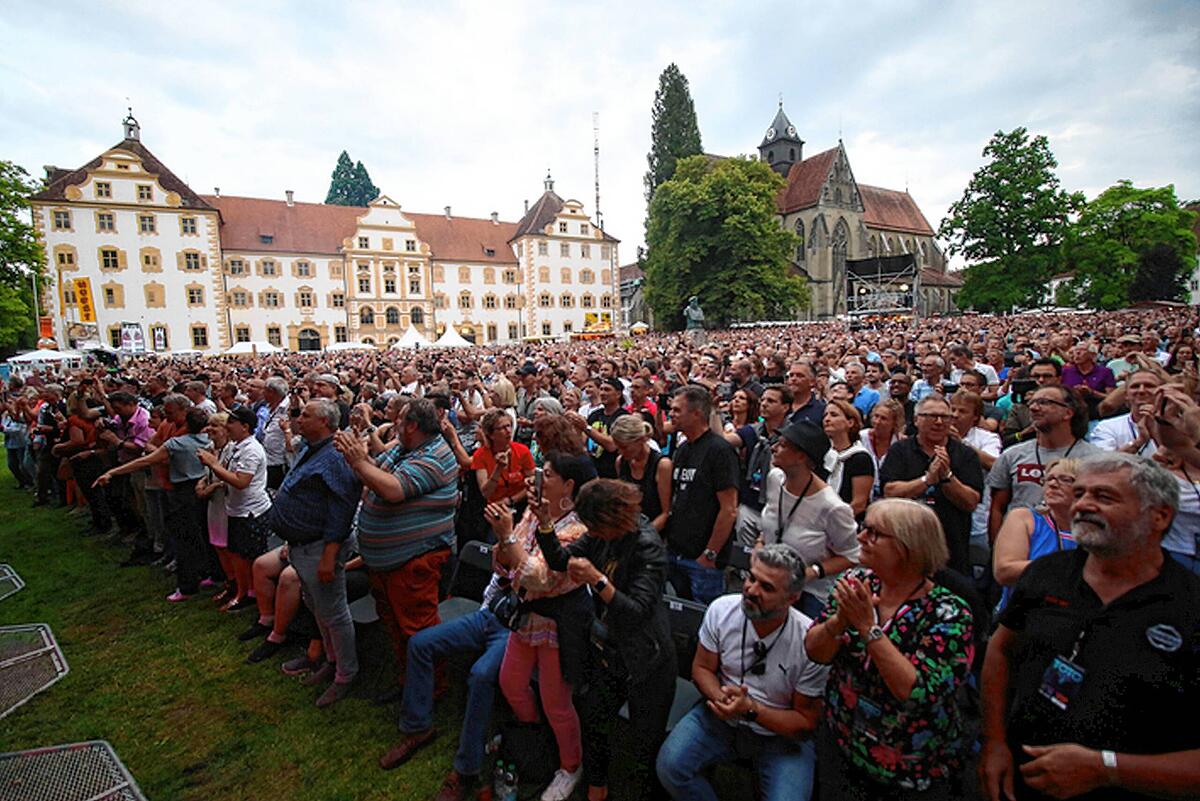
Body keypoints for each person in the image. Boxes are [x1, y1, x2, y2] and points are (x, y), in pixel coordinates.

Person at [979, 452, 1200, 801]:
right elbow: (1001, 649)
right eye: (1079, 493)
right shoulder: (1045, 573)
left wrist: (1105, 769)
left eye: (1103, 496)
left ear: (1159, 515)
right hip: (1024, 780)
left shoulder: (1190, 606)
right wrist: (994, 742)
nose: (1082, 505)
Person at [806, 499, 976, 800]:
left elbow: (915, 693)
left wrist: (867, 629)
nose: (860, 537)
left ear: (907, 547)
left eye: (874, 533)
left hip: (911, 767)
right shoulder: (855, 583)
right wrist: (838, 623)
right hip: (843, 745)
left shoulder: (949, 613)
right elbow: (816, 652)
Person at [535, 479, 677, 801]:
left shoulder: (647, 546)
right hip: (609, 651)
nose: (591, 534)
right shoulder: (601, 536)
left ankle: (642, 791)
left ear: (614, 520)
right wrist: (545, 524)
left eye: (595, 528)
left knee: (644, 740)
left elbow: (637, 611)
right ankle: (597, 787)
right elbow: (561, 559)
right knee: (595, 720)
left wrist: (598, 581)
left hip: (647, 659)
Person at [657, 544, 828, 801]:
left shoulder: (810, 642)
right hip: (720, 716)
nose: (750, 590)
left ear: (792, 598)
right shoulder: (722, 609)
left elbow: (805, 724)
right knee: (671, 768)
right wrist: (722, 699)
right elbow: (702, 668)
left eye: (767, 587)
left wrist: (750, 710)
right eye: (751, 577)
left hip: (779, 737)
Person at [491, 453, 598, 801]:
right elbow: (509, 564)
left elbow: (540, 576)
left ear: (568, 485)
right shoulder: (533, 513)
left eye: (546, 474)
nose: (536, 478)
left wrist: (508, 540)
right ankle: (536, 739)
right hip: (527, 615)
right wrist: (505, 541)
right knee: (511, 682)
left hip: (558, 622)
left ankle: (570, 766)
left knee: (557, 702)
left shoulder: (580, 529)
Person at [336, 398, 460, 696]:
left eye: (400, 420)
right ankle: (408, 679)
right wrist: (358, 459)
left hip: (414, 560)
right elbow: (372, 476)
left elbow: (392, 490)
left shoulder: (436, 455)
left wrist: (358, 461)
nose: (394, 424)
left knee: (418, 629)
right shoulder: (405, 449)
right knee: (396, 626)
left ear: (413, 425)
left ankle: (429, 688)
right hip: (389, 562)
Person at [265, 398, 361, 708]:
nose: (297, 418)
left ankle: (346, 674)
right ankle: (330, 661)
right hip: (302, 544)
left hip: (321, 547)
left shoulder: (335, 456)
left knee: (333, 610)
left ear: (325, 423)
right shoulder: (310, 447)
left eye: (305, 415)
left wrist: (330, 555)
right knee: (317, 607)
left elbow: (342, 509)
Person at [96, 404, 214, 602]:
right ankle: (208, 575)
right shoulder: (210, 441)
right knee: (202, 536)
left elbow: (144, 461)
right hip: (203, 491)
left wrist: (113, 472)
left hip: (183, 493)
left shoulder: (176, 444)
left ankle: (187, 587)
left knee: (184, 540)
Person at [759, 420, 860, 616]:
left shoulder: (832, 506)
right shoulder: (775, 479)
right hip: (770, 581)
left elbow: (852, 555)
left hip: (809, 596)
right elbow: (771, 522)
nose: (774, 448)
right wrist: (760, 546)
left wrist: (811, 572)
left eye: (783, 445)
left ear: (801, 456)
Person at [880, 395, 984, 575]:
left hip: (951, 547)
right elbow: (890, 491)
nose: (938, 422)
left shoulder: (965, 454)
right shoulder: (900, 450)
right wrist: (926, 480)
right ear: (916, 420)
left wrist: (946, 476)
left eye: (945, 417)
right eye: (931, 416)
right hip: (905, 544)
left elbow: (971, 502)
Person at [988, 386, 1097, 544]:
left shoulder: (1095, 459)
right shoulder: (1012, 455)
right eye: (1031, 403)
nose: (1033, 408)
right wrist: (997, 549)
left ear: (1068, 412)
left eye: (1044, 402)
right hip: (1020, 547)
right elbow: (997, 508)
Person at [664, 385, 740, 603]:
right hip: (677, 550)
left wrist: (710, 554)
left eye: (678, 410)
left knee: (705, 620)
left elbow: (729, 509)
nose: (671, 414)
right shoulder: (683, 450)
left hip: (703, 558)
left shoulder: (719, 451)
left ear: (696, 413)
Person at [199, 406, 273, 611]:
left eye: (231, 423)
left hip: (249, 510)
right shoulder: (236, 446)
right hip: (236, 507)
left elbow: (241, 482)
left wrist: (214, 465)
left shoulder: (251, 450)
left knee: (245, 556)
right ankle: (243, 590)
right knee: (237, 554)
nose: (227, 426)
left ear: (245, 426)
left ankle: (248, 595)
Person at [992, 458, 1078, 612]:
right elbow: (1005, 571)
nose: (1052, 484)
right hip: (1022, 616)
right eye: (1049, 479)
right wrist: (1070, 568)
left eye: (1065, 479)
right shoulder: (1024, 518)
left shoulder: (1093, 531)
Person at [612, 415, 671, 532]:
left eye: (624, 447)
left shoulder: (662, 465)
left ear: (640, 440)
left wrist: (644, 536)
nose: (621, 452)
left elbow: (666, 513)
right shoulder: (620, 462)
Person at [1086, 369, 1161, 456]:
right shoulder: (1107, 427)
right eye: (1135, 386)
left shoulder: (1176, 425)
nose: (1141, 390)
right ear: (1126, 395)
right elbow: (1103, 464)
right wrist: (1139, 442)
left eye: (1149, 386)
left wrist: (1157, 436)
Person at [823, 399, 874, 520]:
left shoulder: (860, 458)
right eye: (825, 415)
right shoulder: (826, 454)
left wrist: (832, 522)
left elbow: (859, 504)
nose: (827, 419)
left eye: (834, 415)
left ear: (850, 422)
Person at [472, 408, 534, 507]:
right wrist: (498, 469)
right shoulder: (480, 455)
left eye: (509, 426)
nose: (508, 431)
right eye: (502, 428)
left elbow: (532, 482)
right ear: (491, 434)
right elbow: (486, 493)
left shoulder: (522, 450)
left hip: (520, 503)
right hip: (494, 506)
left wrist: (511, 500)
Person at [568, 377, 627, 479]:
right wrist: (576, 427)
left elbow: (612, 445)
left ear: (618, 394)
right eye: (601, 389)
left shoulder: (623, 417)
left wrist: (586, 427)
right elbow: (582, 443)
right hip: (591, 472)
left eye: (607, 390)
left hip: (611, 473)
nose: (603, 393)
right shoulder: (595, 415)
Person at [861, 398, 905, 499]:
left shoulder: (901, 443)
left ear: (895, 422)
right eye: (876, 416)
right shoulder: (860, 438)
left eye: (883, 418)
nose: (877, 421)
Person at [787, 361, 826, 427]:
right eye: (791, 375)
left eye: (800, 376)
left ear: (812, 382)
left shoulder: (822, 410)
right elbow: (763, 420)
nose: (793, 379)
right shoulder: (779, 404)